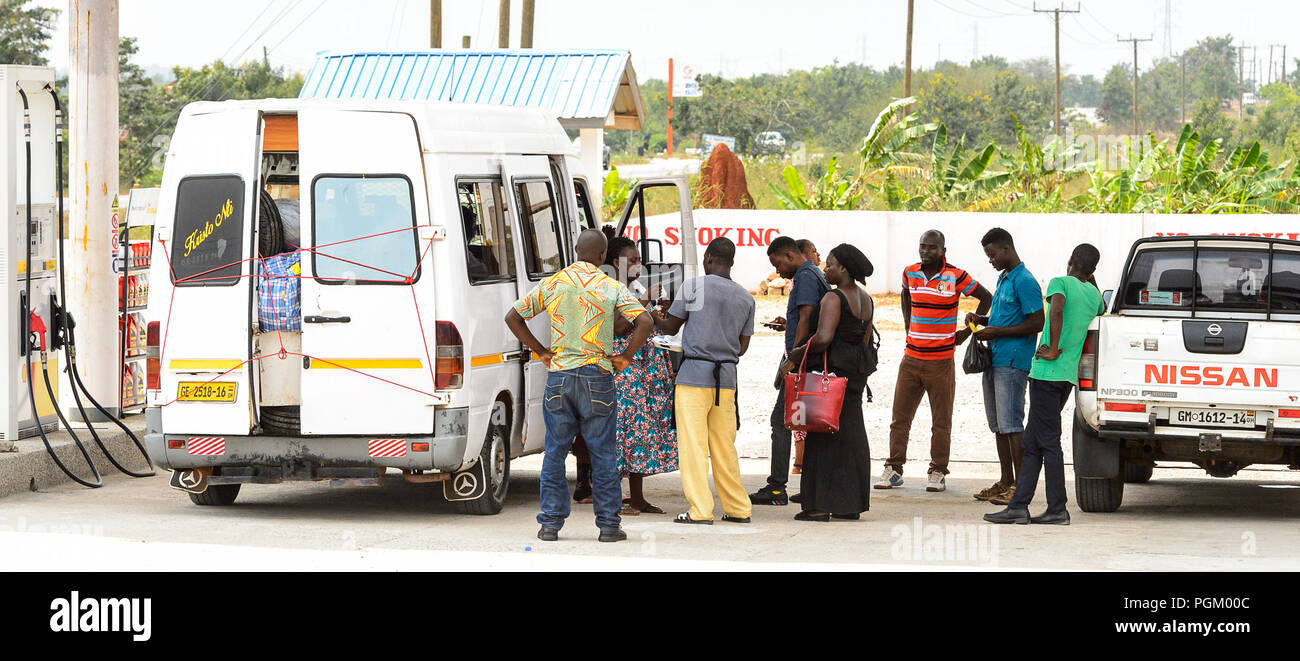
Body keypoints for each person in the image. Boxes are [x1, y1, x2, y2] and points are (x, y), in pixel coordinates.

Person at [505, 229, 653, 543]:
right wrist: (624, 356)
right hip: (597, 376)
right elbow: (645, 321)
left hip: (559, 377)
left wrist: (541, 351)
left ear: (576, 250)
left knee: (555, 452)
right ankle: (609, 527)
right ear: (603, 257)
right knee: (603, 453)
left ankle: (550, 525)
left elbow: (513, 317)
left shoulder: (554, 283)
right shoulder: (610, 286)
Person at [985, 244, 1106, 526]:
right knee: (1033, 441)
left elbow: (1057, 309)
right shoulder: (1093, 296)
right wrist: (1090, 276)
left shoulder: (1059, 282)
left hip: (1047, 371)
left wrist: (1051, 347)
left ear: (1070, 260)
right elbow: (1100, 303)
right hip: (1066, 377)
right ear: (1093, 270)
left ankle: (1057, 508)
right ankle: (1019, 505)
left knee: (1048, 442)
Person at [878, 229, 992, 493]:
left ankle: (937, 471)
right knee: (899, 418)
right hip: (911, 358)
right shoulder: (910, 272)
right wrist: (909, 326)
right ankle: (894, 468)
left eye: (931, 247)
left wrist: (967, 332)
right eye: (922, 246)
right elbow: (905, 296)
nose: (925, 251)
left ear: (943, 250)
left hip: (941, 361)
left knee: (941, 421)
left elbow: (986, 297)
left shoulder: (956, 276)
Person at [655, 237, 755, 524]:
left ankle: (700, 510)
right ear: (731, 262)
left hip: (693, 378)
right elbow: (742, 347)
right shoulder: (746, 298)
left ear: (709, 258)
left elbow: (670, 326)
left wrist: (653, 314)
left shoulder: (693, 287)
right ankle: (738, 508)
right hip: (726, 380)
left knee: (693, 446)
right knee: (724, 446)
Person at [779, 244, 876, 522]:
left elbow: (823, 338)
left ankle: (819, 505)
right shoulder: (866, 298)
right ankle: (849, 503)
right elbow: (865, 338)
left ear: (843, 268)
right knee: (852, 434)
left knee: (822, 434)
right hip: (856, 372)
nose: (826, 268)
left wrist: (795, 356)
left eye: (830, 264)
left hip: (831, 372)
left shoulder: (834, 298)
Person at [965, 228, 1044, 506]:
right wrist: (983, 320)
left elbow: (1037, 323)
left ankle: (1020, 488)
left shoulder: (1025, 280)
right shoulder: (1004, 279)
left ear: (1007, 249)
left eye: (992, 254)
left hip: (1012, 362)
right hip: (995, 359)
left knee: (1011, 425)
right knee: (999, 426)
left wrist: (996, 331)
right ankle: (1005, 481)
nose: (991, 260)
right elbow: (1005, 318)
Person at [751, 236, 829, 506]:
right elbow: (806, 317)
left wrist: (793, 359)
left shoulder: (806, 276)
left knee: (780, 422)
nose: (778, 271)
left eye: (778, 264)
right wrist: (789, 324)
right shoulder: (812, 274)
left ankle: (776, 488)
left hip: (802, 361)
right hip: (808, 359)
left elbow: (807, 317)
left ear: (789, 255)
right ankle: (812, 486)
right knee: (808, 424)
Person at [604, 237, 678, 515]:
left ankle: (637, 498)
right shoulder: (611, 289)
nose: (639, 264)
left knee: (640, 430)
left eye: (639, 259)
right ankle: (614, 500)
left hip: (643, 369)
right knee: (621, 430)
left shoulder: (631, 288)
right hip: (626, 368)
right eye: (632, 260)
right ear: (615, 263)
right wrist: (645, 300)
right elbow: (619, 326)